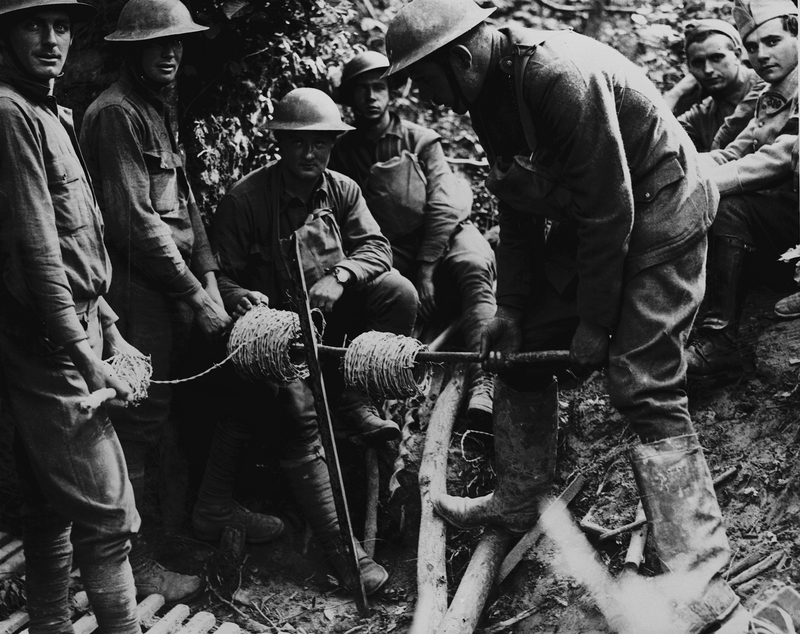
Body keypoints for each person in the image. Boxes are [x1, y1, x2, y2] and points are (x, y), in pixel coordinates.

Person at [383, 0, 749, 631]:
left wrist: (593, 323)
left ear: (461, 60)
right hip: (604, 217)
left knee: (643, 381)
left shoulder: (556, 76)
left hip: (662, 206)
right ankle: (521, 500)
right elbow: (520, 207)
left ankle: (701, 572)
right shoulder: (487, 91)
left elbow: (613, 211)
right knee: (516, 353)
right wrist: (514, 308)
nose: (427, 97)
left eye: (425, 82)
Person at [80, 0, 280, 603]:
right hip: (138, 291)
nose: (171, 52)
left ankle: (196, 521)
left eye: (178, 43)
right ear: (131, 50)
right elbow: (136, 223)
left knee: (199, 403)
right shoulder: (115, 114)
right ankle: (134, 560)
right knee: (138, 420)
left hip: (179, 289)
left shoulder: (156, 108)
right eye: (157, 43)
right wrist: (194, 293)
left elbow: (186, 204)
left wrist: (212, 281)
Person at [210, 87, 419, 595]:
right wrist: (243, 298)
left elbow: (377, 248)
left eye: (320, 144)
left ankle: (354, 397)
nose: (309, 154)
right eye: (298, 143)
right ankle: (345, 554)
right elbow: (216, 276)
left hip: (333, 334)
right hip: (275, 347)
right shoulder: (246, 199)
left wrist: (342, 275)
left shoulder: (342, 190)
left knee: (398, 292)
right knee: (299, 415)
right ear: (280, 141)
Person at [0, 0, 142, 630]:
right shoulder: (9, 115)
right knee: (110, 513)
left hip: (75, 326)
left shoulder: (47, 111)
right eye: (33, 24)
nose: (51, 39)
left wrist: (108, 325)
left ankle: (52, 624)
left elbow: (78, 242)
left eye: (60, 25)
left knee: (47, 499)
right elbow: (37, 256)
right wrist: (88, 361)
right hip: (47, 340)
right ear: (4, 35)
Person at [330, 51, 497, 426]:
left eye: (379, 88)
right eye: (361, 90)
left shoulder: (421, 140)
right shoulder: (341, 152)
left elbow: (443, 203)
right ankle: (363, 394)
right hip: (391, 248)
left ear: (392, 93)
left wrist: (427, 267)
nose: (371, 97)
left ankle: (484, 381)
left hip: (447, 235)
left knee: (472, 266)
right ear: (350, 98)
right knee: (384, 291)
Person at [686, 0, 798, 381]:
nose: (761, 55)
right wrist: (678, 175)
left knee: (730, 204)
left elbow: (781, 156)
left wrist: (702, 187)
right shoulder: (774, 92)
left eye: (772, 41)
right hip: (790, 219)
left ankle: (718, 343)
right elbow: (735, 152)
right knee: (723, 200)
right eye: (753, 47)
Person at [663, 18, 765, 151]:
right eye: (698, 63)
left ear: (737, 55)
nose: (708, 70)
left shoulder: (768, 84)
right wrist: (675, 94)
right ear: (689, 68)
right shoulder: (700, 116)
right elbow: (658, 137)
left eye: (716, 58)